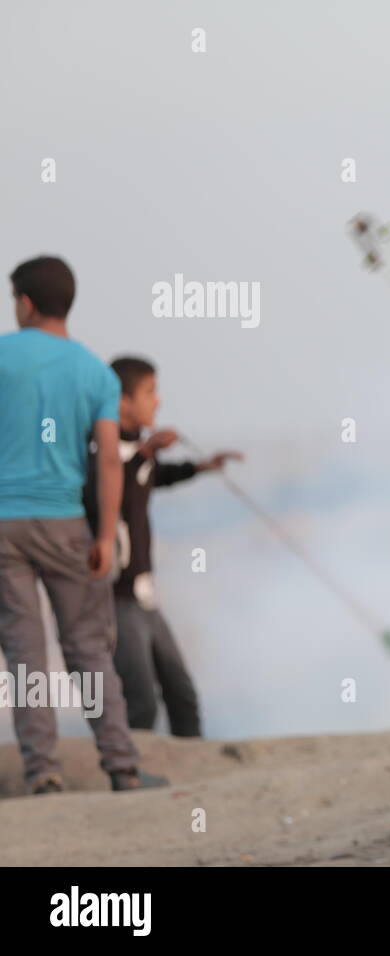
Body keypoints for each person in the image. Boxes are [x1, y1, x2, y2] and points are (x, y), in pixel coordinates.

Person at [0, 256, 168, 793]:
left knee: (25, 655)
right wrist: (103, 536)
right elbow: (109, 461)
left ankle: (43, 772)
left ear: (24, 302)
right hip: (65, 523)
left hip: (4, 524)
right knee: (87, 649)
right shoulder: (94, 371)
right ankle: (121, 765)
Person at [84, 356, 242, 736]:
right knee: (140, 702)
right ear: (122, 402)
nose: (158, 401)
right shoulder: (99, 454)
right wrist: (146, 453)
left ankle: (196, 776)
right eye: (150, 392)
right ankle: (132, 780)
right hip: (116, 600)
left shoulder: (137, 455)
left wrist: (200, 467)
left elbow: (155, 477)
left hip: (145, 598)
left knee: (182, 694)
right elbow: (110, 488)